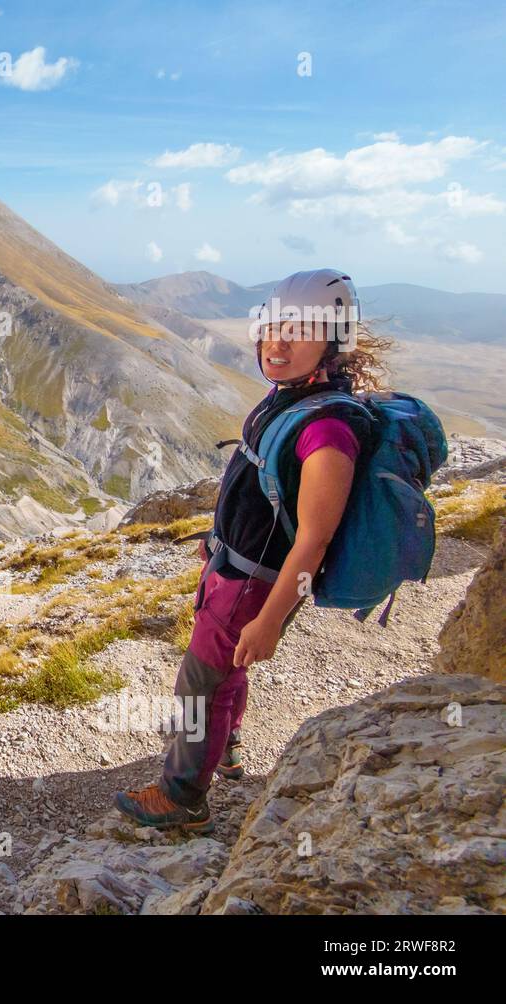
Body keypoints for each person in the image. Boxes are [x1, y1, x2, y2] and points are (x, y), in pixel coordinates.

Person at [113, 269, 389, 832]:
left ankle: (182, 797)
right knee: (226, 669)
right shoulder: (295, 398)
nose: (278, 344)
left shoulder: (328, 430)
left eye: (300, 331)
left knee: (198, 682)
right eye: (273, 328)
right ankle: (227, 748)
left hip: (252, 585)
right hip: (234, 571)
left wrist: (269, 619)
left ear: (333, 344)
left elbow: (314, 538)